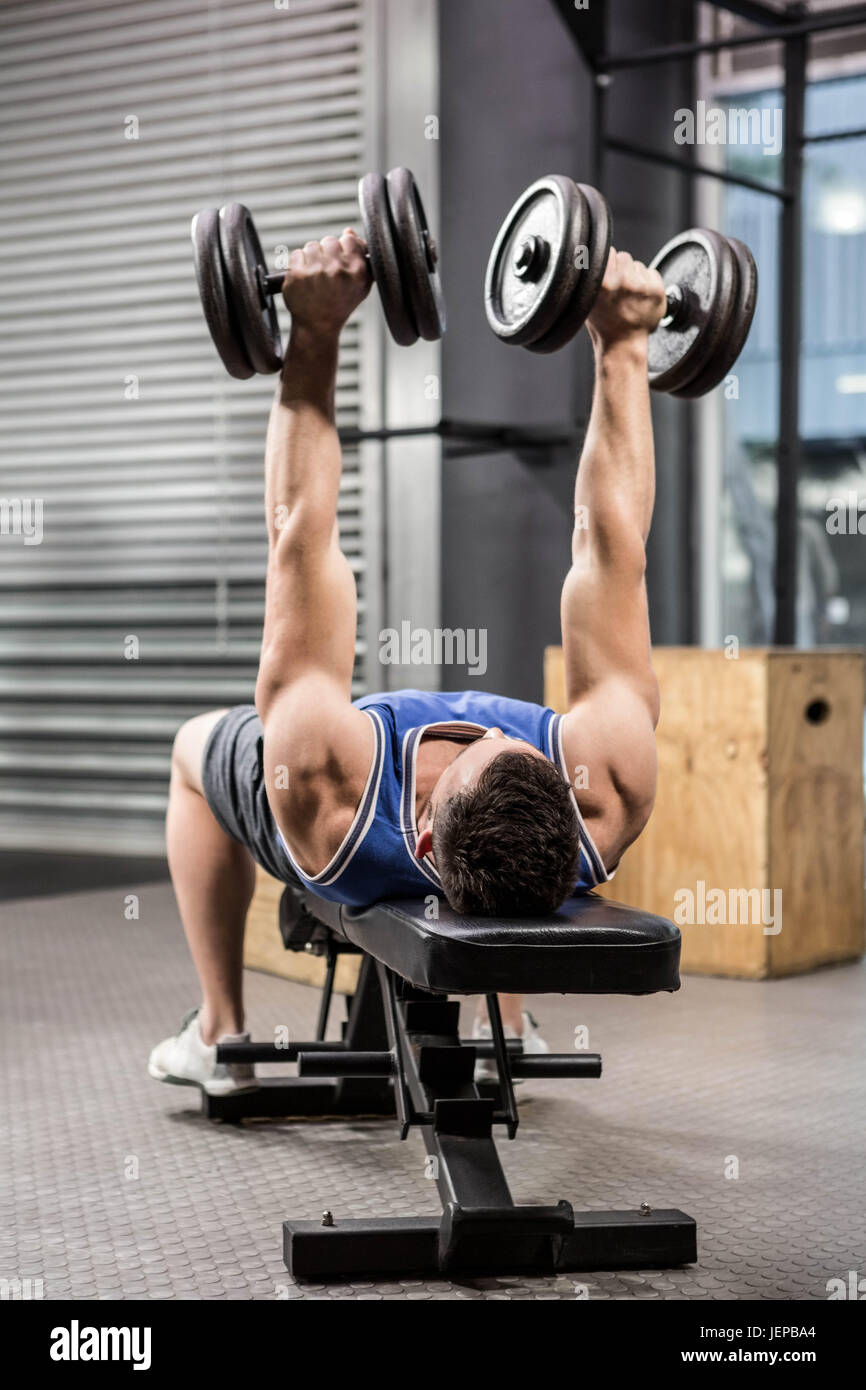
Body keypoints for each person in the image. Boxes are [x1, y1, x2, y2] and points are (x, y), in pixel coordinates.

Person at [149, 228, 667, 1096]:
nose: (470, 731)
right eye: (528, 756)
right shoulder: (606, 784)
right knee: (511, 870)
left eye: (454, 759)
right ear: (565, 795)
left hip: (317, 796)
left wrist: (313, 336)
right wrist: (624, 346)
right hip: (487, 847)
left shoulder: (325, 778)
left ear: (421, 830)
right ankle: (509, 1016)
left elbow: (299, 540)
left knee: (191, 753)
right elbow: (612, 549)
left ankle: (218, 1034)